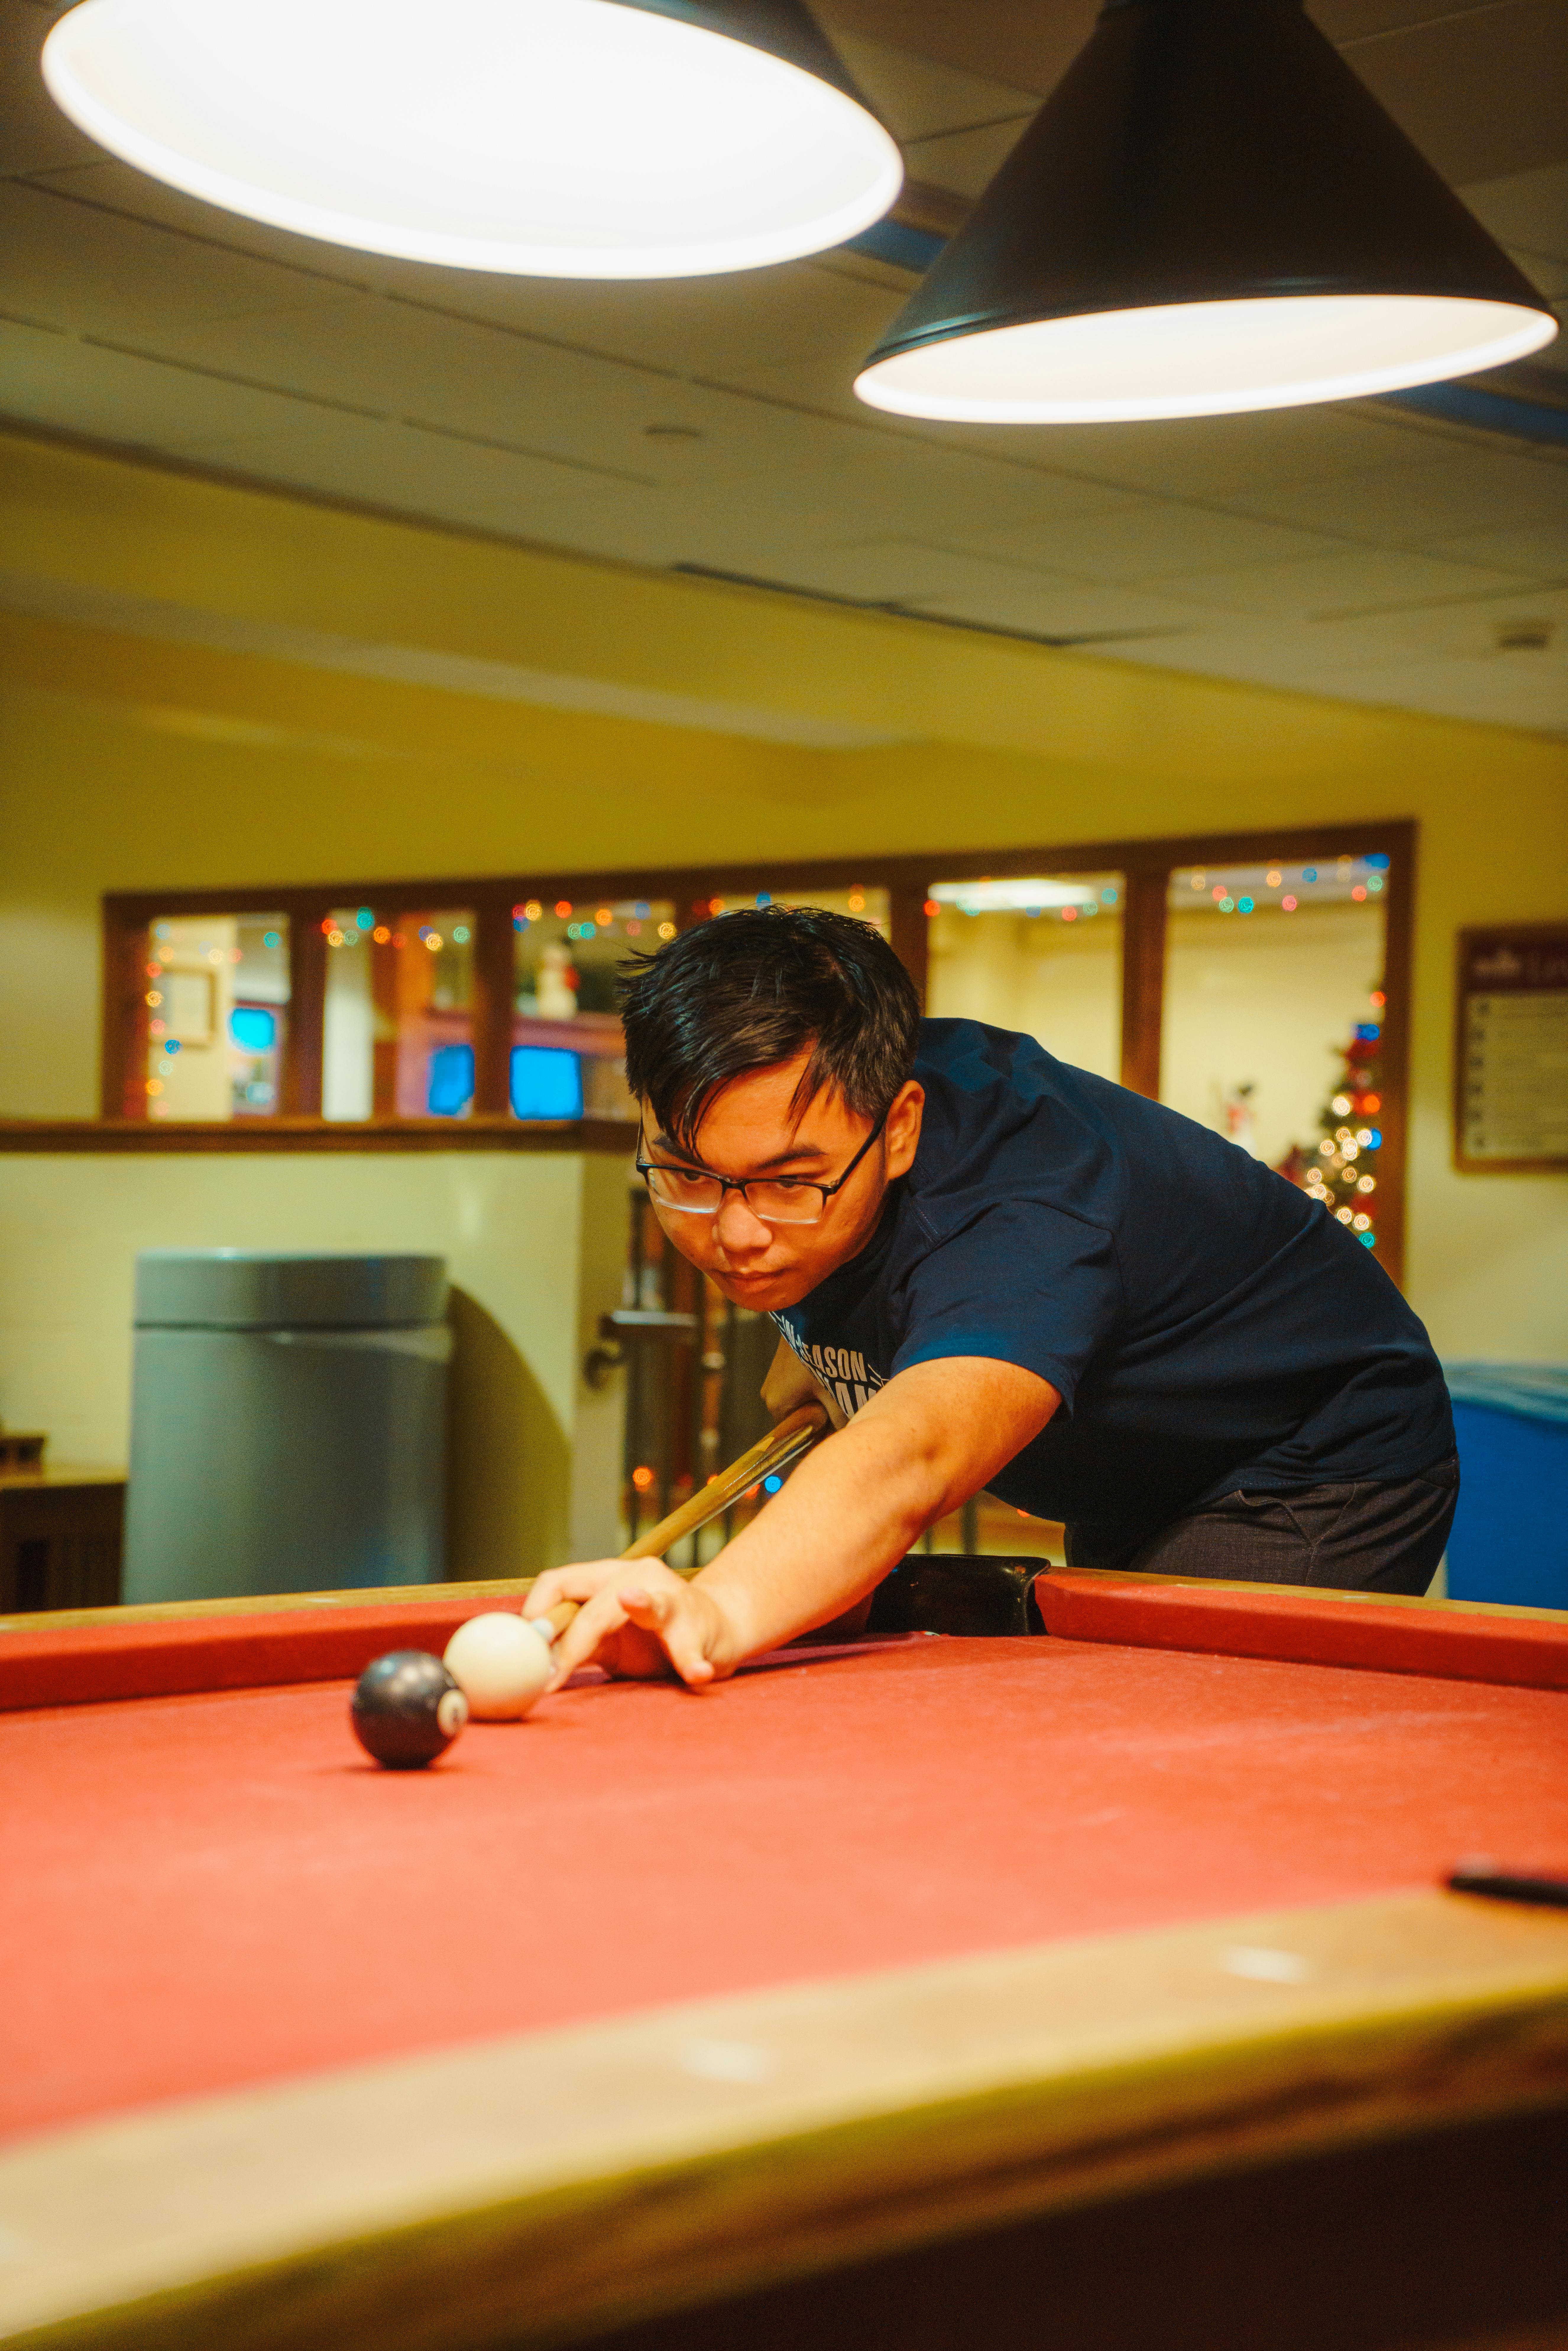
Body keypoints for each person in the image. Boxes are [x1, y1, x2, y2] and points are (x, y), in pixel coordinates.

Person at [527, 905, 1457, 1688]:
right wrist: (817, 1352)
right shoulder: (810, 1149)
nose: (733, 1235)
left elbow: (919, 1447)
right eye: (688, 1175)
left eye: (787, 1181)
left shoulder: (1024, 1207)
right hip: (1131, 1459)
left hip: (1310, 1461)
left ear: (899, 1131)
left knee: (1164, 1740)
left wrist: (721, 1608)